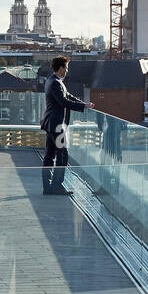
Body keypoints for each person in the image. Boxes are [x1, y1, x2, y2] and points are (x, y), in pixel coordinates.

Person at [39, 55, 86, 195]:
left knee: (50, 155)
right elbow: (63, 102)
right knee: (62, 154)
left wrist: (84, 104)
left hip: (51, 124)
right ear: (61, 68)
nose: (67, 70)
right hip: (56, 126)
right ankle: (57, 186)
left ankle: (48, 187)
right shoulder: (55, 83)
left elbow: (67, 95)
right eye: (66, 67)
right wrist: (83, 107)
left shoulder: (52, 80)